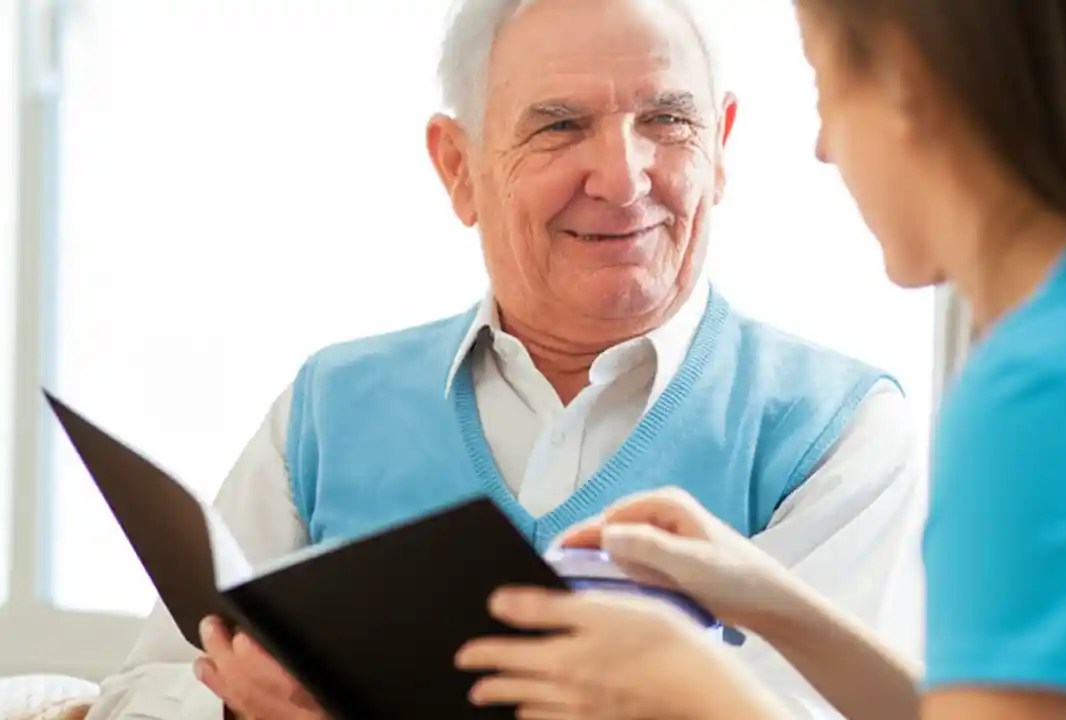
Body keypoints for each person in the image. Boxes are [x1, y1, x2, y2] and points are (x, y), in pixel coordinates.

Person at [84, 1, 924, 719]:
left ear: (722, 145)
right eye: (560, 125)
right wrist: (239, 703)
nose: (624, 178)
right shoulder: (328, 407)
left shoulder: (836, 432)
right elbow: (147, 684)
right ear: (458, 169)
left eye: (667, 120)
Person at [453, 0, 1066, 718]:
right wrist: (774, 601)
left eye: (824, 86)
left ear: (905, 84)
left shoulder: (1047, 391)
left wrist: (690, 690)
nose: (823, 146)